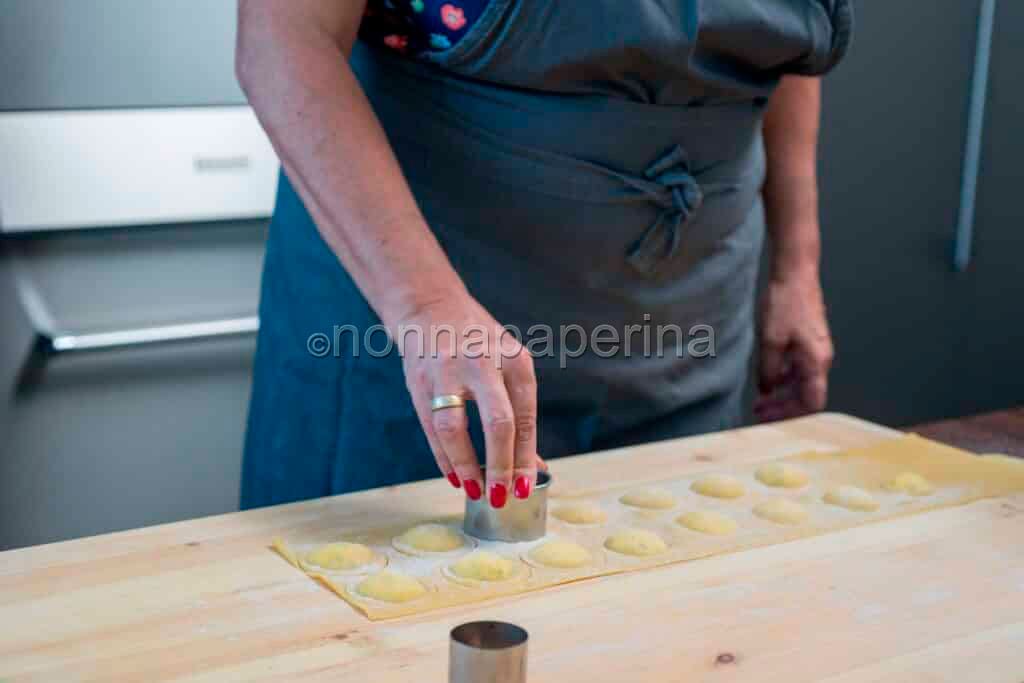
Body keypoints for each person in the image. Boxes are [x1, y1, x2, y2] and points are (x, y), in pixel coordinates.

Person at [236, 0, 850, 511]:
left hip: (689, 330)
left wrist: (798, 269)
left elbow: (779, 50)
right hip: (416, 323)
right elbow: (284, 39)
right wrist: (423, 302)